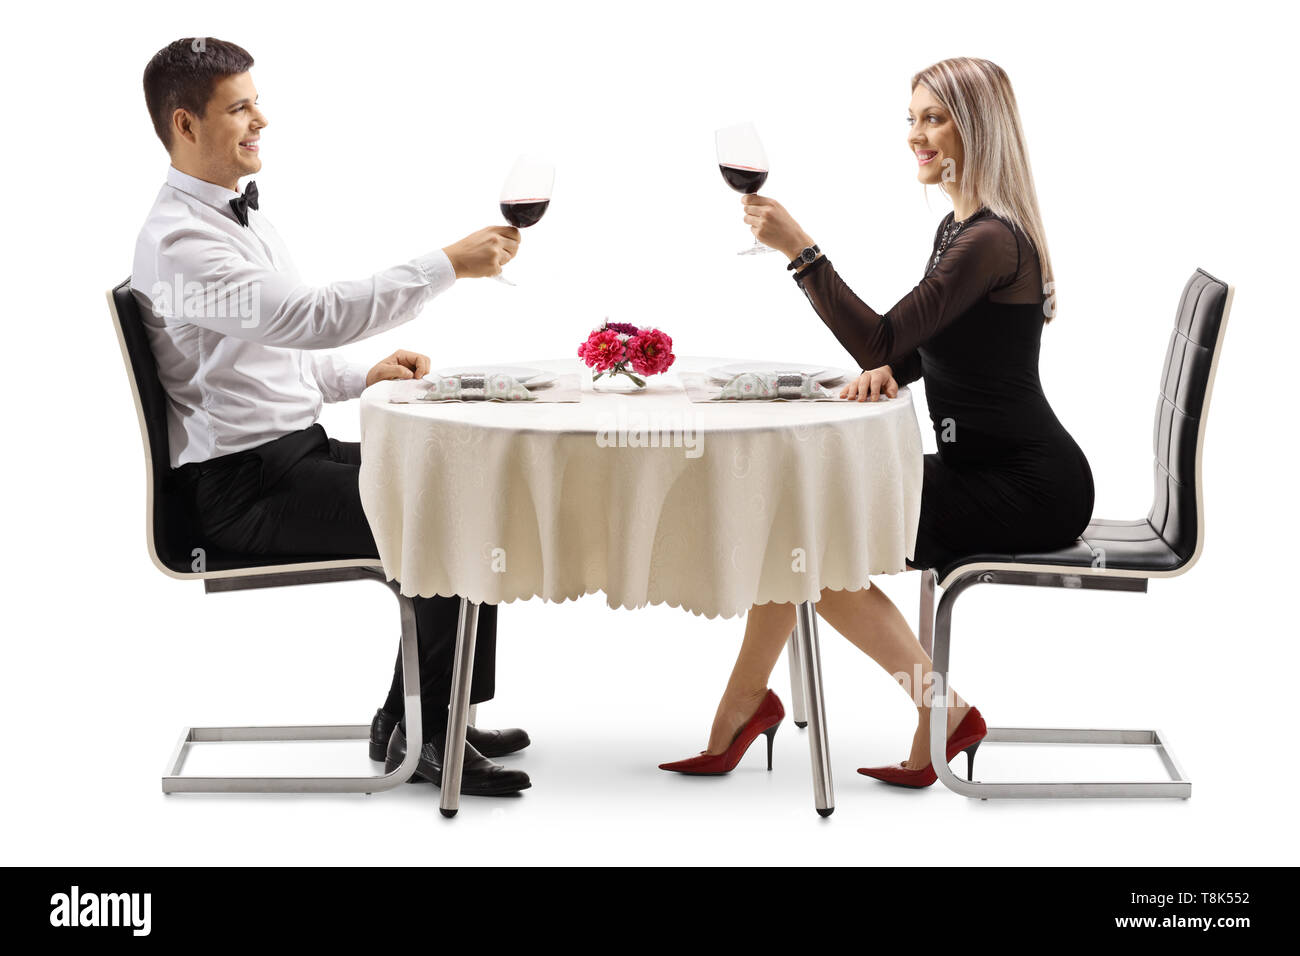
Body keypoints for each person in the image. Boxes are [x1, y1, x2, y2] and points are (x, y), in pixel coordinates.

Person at [659, 57, 1094, 788]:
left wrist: (801, 251)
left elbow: (880, 337)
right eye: (912, 119)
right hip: (984, 470)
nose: (916, 136)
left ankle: (940, 710)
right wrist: (901, 369)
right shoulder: (961, 230)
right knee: (792, 528)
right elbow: (927, 341)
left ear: (976, 128)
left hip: (1028, 486)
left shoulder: (990, 240)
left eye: (934, 118)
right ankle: (747, 707)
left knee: (811, 548)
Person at [132, 37, 531, 796]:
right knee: (447, 514)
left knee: (471, 484)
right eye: (240, 107)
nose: (262, 120)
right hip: (241, 491)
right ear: (186, 126)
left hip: (289, 454)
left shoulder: (235, 219)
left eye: (257, 100)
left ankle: (415, 720)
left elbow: (272, 352)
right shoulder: (182, 243)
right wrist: (448, 263)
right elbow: (311, 316)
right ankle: (427, 737)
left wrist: (359, 376)